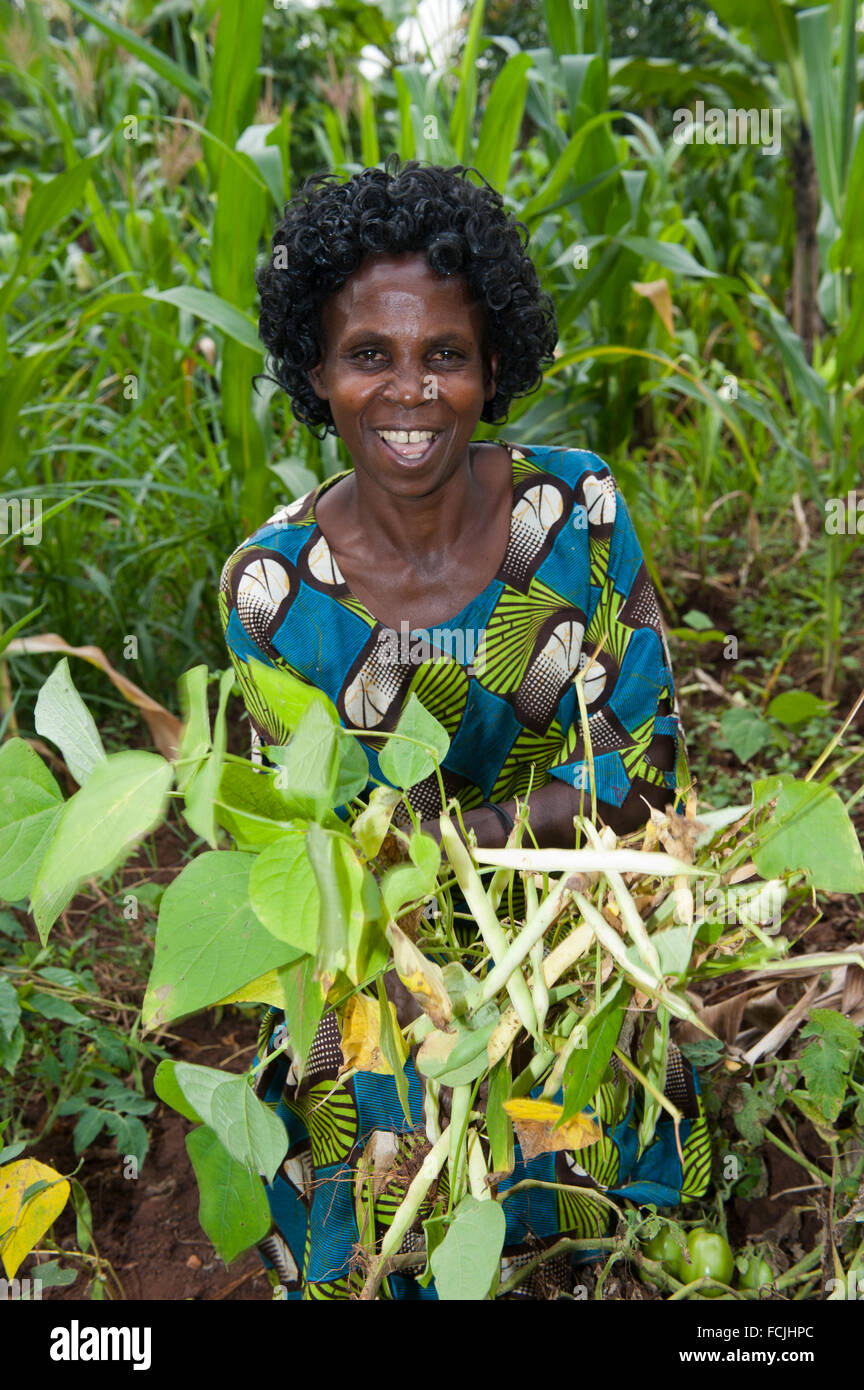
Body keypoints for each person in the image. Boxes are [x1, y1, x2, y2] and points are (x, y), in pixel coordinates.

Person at [218, 157, 709, 1300]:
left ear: (494, 367)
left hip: (571, 924)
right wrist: (507, 828)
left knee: (600, 1092)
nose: (411, 392)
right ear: (316, 372)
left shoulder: (574, 512)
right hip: (387, 959)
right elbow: (316, 870)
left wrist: (463, 833)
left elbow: (646, 770)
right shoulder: (276, 590)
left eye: (445, 353)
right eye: (368, 356)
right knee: (381, 1108)